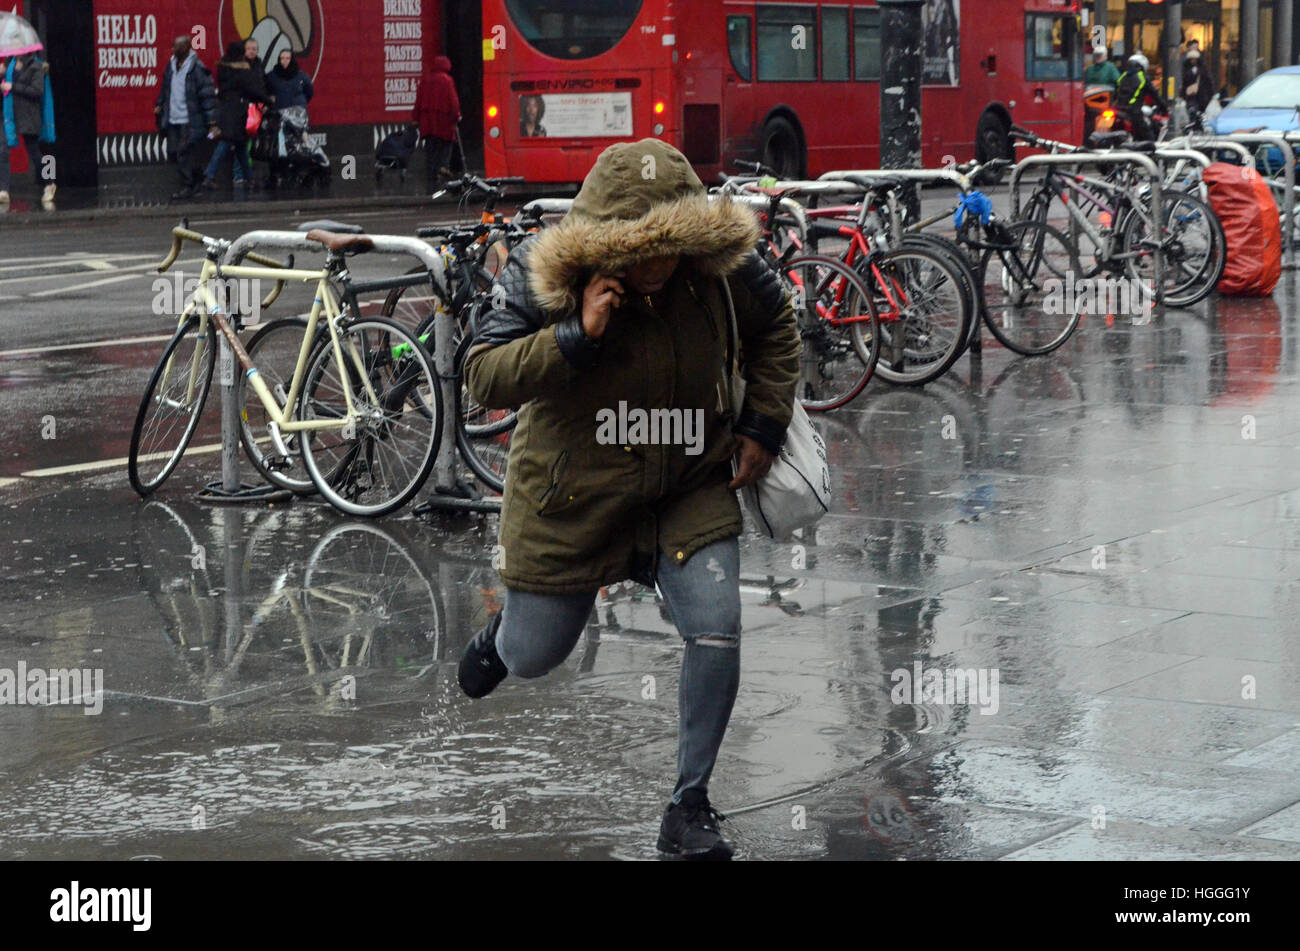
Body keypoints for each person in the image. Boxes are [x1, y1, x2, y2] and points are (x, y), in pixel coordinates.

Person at [459, 138, 801, 860]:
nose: (660, 263)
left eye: (673, 245)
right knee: (534, 653)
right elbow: (483, 375)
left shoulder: (721, 264)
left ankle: (689, 804)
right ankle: (501, 637)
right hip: (573, 493)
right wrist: (571, 336)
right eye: (642, 249)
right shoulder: (543, 269)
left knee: (716, 623)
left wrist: (762, 424)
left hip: (687, 483)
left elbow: (779, 328)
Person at [154, 36, 218, 201]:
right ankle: (198, 178)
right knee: (174, 152)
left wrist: (211, 123)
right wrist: (160, 104)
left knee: (183, 152)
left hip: (190, 120)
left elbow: (207, 97)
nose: (173, 50)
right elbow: (166, 87)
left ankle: (189, 185)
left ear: (186, 48)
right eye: (173, 46)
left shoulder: (197, 68)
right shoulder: (172, 66)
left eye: (177, 47)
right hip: (173, 118)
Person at [202, 41, 267, 191]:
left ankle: (249, 178)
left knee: (240, 145)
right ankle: (209, 175)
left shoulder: (223, 67)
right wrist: (266, 100)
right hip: (238, 112)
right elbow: (251, 89)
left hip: (225, 110)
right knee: (227, 142)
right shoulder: (242, 70)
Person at [1, 50, 57, 205]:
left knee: (34, 152)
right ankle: (3, 190)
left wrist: (12, 86)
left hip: (28, 114)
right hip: (10, 114)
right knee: (3, 149)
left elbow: (37, 91)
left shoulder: (35, 66)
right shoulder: (9, 63)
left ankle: (50, 182)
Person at [266, 50, 314, 188]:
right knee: (279, 147)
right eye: (282, 58)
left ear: (292, 59)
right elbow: (266, 91)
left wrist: (299, 107)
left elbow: (309, 92)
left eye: (287, 58)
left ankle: (301, 174)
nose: (284, 61)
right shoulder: (272, 76)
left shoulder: (301, 76)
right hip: (279, 118)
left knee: (299, 147)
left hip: (298, 119)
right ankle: (278, 174)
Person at [412, 55, 459, 183]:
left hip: (428, 124)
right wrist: (456, 115)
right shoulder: (447, 80)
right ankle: (443, 167)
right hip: (444, 122)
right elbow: (453, 102)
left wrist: (415, 118)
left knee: (431, 150)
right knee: (446, 145)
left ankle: (431, 178)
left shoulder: (425, 80)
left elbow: (419, 101)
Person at [1116, 53, 1167, 142]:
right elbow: (1155, 95)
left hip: (1118, 109)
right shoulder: (1143, 78)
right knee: (1148, 137)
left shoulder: (1123, 76)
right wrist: (1164, 107)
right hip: (1133, 112)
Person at [1182, 46, 1215, 119]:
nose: (1193, 61)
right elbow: (1184, 84)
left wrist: (1210, 94)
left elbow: (1209, 82)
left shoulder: (1203, 69)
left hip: (1201, 96)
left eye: (1194, 59)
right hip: (1191, 96)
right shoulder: (1186, 70)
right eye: (1191, 59)